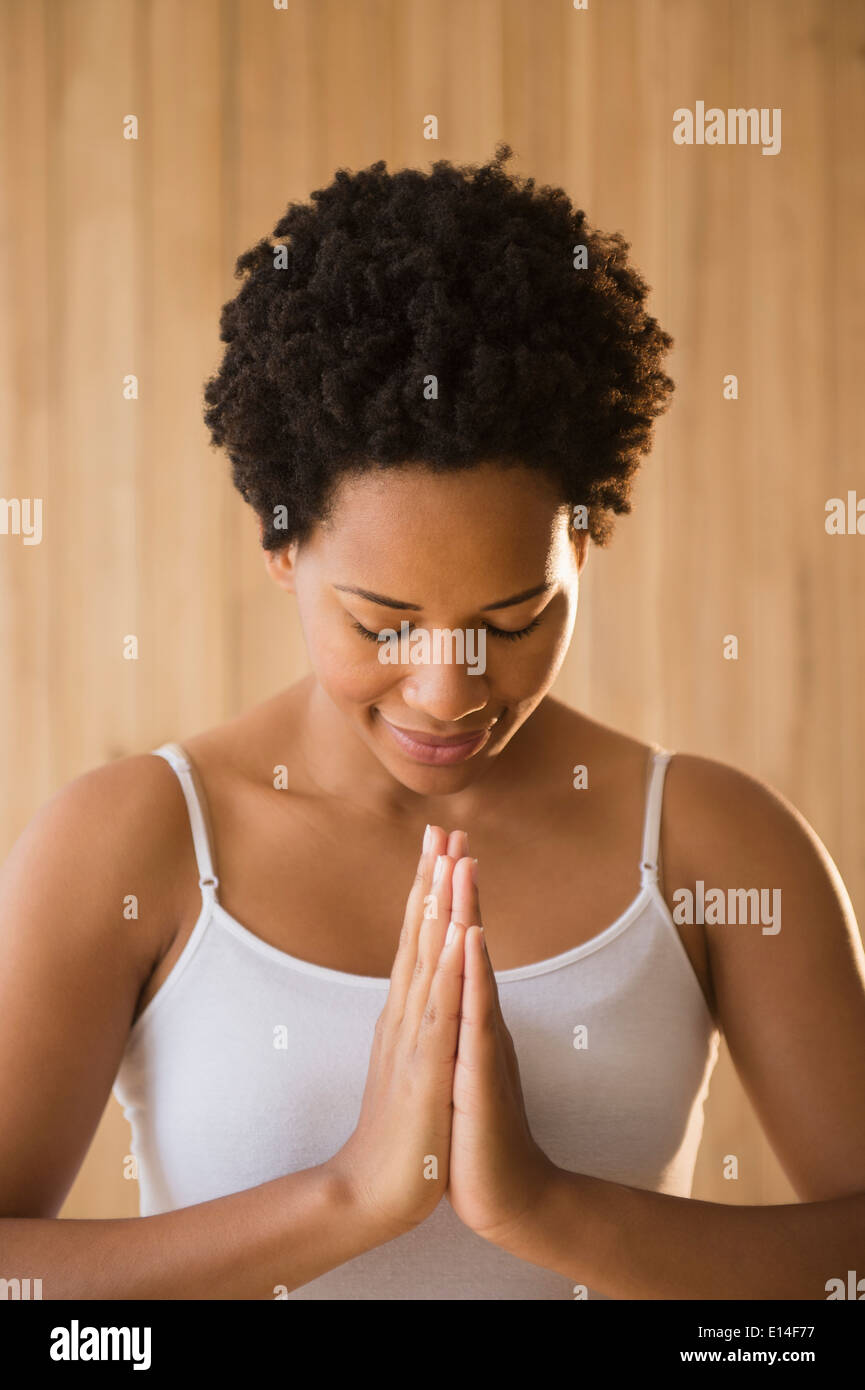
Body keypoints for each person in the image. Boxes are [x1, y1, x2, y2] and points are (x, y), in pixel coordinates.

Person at [1, 146, 863, 1300]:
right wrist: (349, 1199)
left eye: (514, 619)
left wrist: (544, 1210)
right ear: (279, 545)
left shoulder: (718, 846)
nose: (448, 692)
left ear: (585, 542)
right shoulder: (128, 844)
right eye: (382, 624)